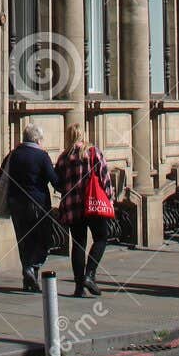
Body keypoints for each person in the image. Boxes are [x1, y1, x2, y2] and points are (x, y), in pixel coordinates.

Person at [55, 125, 114, 298]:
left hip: (73, 208)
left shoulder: (63, 158)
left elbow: (57, 183)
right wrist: (109, 199)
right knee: (101, 238)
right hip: (94, 205)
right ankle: (90, 274)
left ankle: (79, 287)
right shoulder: (93, 152)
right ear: (83, 135)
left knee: (78, 245)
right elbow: (105, 178)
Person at [1, 122, 60, 293]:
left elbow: (0, 176)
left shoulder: (13, 154)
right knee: (42, 239)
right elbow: (54, 179)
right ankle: (31, 269)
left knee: (23, 238)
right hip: (37, 203)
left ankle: (29, 276)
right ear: (38, 139)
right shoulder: (42, 156)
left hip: (16, 203)